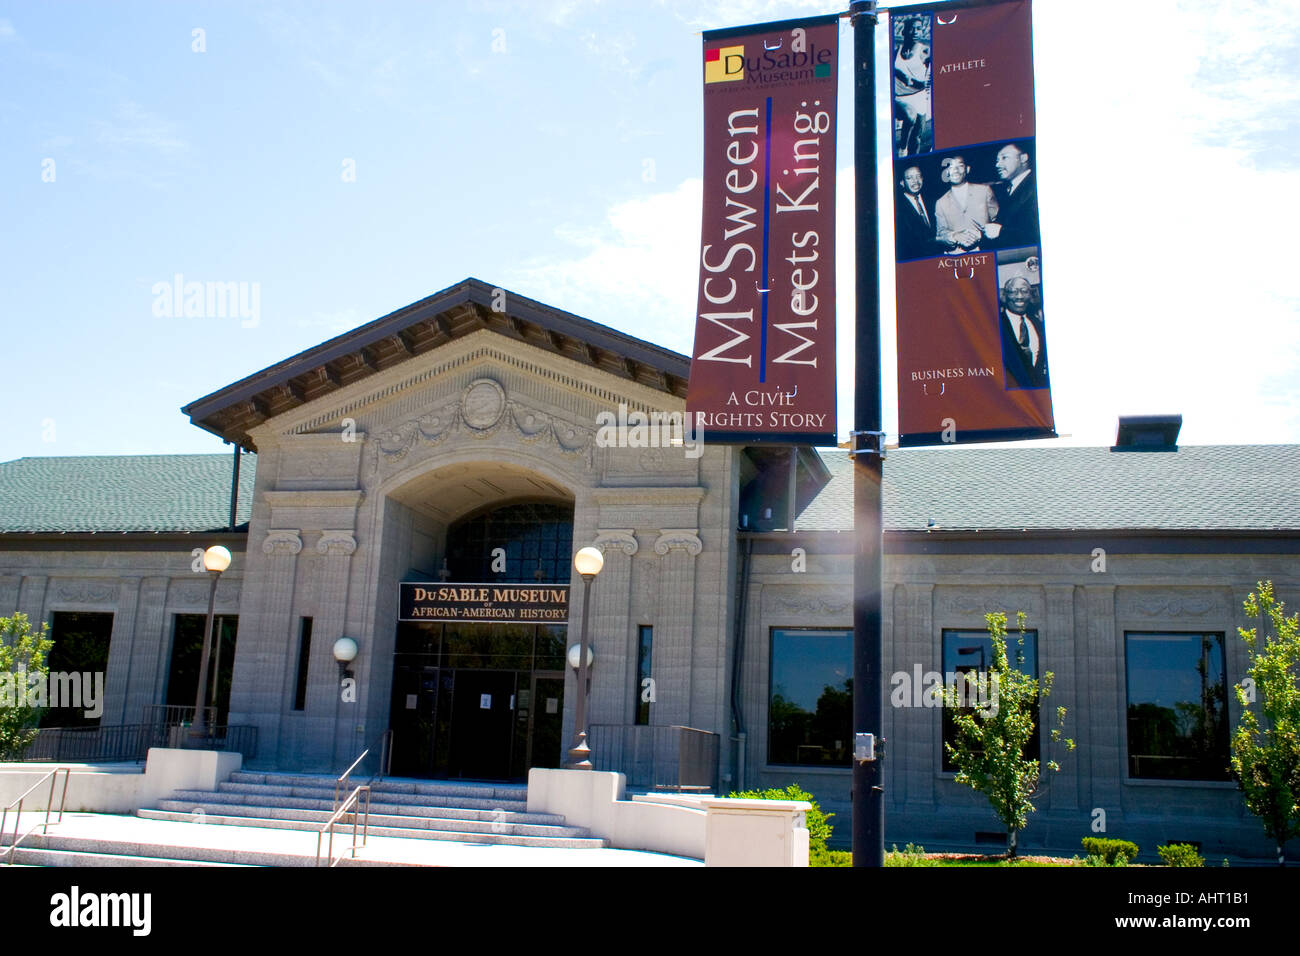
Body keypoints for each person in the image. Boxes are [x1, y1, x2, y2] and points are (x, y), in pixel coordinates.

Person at [935, 156, 998, 252]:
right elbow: (941, 233)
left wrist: (981, 234)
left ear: (967, 169)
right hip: (957, 256)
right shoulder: (940, 203)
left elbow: (997, 218)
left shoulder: (984, 191)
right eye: (951, 167)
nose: (955, 170)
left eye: (959, 166)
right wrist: (955, 236)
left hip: (986, 249)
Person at [999, 276, 1048, 389]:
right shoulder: (995, 324)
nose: (1019, 296)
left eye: (1024, 291)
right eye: (1013, 292)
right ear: (1005, 296)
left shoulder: (1039, 324)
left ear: (1030, 295)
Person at [894, 19, 931, 156]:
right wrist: (901, 75)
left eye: (919, 28)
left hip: (918, 96)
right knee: (910, 116)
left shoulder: (925, 51)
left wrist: (913, 82)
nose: (915, 32)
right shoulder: (897, 51)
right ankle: (902, 147)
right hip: (899, 98)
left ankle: (911, 159)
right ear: (904, 31)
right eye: (912, 28)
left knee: (916, 139)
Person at [990, 143, 1039, 248]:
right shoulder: (1007, 190)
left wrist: (1001, 232)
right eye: (997, 160)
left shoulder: (1035, 187)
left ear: (1023, 158)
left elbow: (1036, 234)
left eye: (1004, 158)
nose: (997, 165)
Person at [895, 166, 941, 260]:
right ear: (902, 183)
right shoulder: (897, 208)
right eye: (909, 178)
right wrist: (938, 240)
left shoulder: (932, 200)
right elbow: (909, 242)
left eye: (918, 176)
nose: (915, 181)